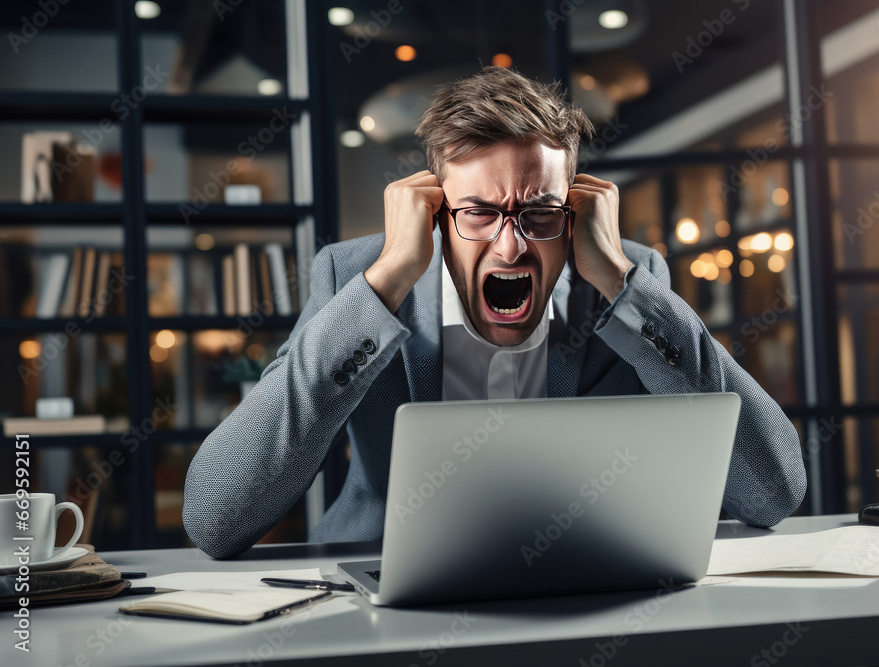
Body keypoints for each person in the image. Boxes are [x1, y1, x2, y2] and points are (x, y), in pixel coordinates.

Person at [183, 66, 806, 559]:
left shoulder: (631, 281)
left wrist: (624, 283)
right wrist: (386, 284)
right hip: (381, 601)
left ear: (578, 209)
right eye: (477, 212)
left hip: (580, 592)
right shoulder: (356, 276)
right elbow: (216, 515)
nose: (510, 246)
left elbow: (774, 491)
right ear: (434, 209)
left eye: (539, 212)